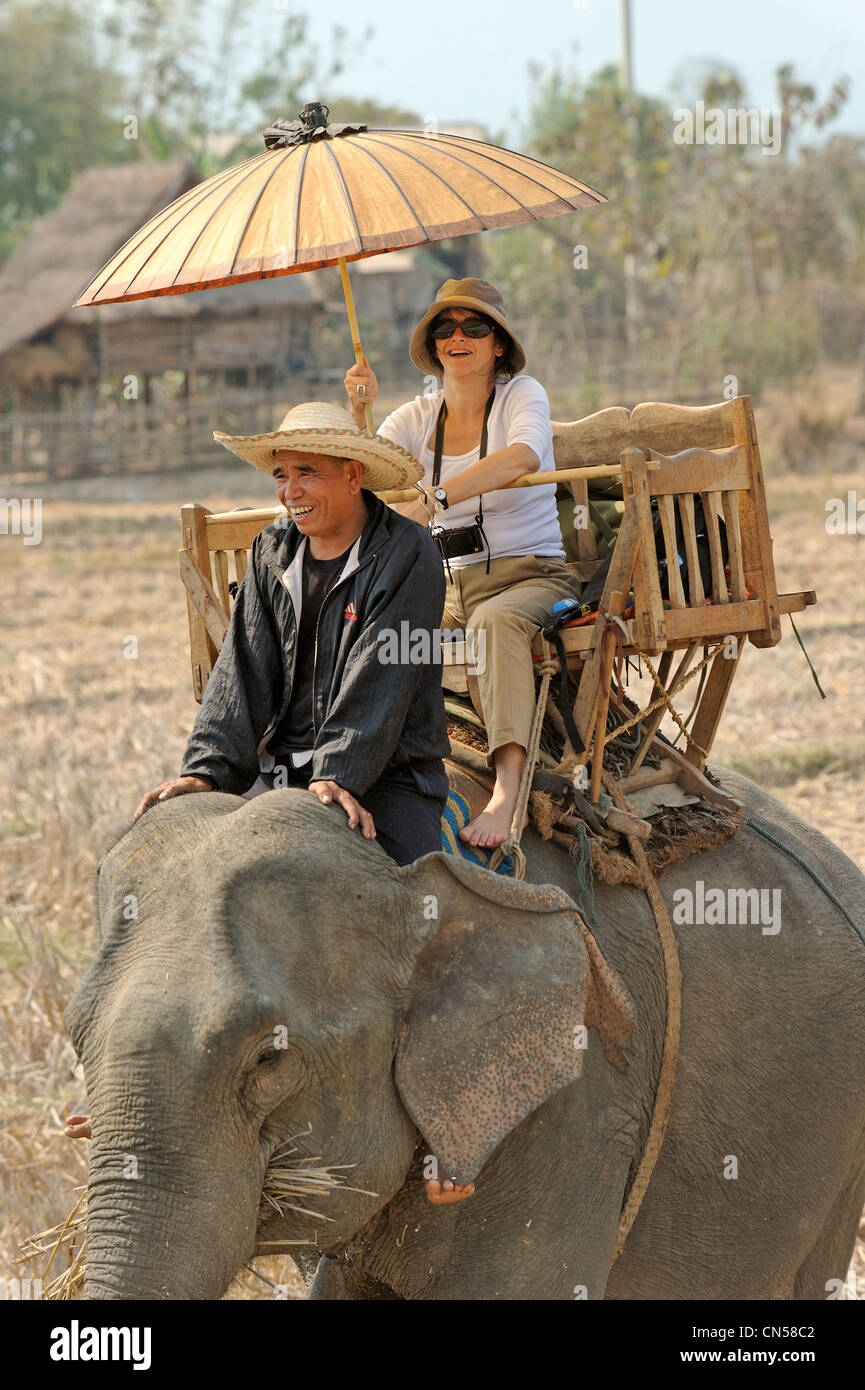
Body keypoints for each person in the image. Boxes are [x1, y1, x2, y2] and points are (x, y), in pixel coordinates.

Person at [66, 400, 472, 1200]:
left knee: (414, 915)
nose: (288, 490)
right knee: (152, 866)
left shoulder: (408, 555)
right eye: (281, 475)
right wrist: (209, 770)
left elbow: (384, 677)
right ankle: (126, 1089)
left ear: (352, 475)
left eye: (306, 473)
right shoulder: (271, 552)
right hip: (279, 769)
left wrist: (341, 776)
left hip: (385, 772)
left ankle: (444, 1121)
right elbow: (239, 672)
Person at [345, 278, 581, 850]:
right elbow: (369, 480)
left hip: (533, 574)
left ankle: (508, 793)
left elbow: (524, 454)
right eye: (445, 328)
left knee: (493, 626)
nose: (459, 337)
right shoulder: (416, 417)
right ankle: (356, 771)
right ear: (433, 344)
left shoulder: (523, 396)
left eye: (474, 326)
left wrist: (436, 496)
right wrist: (359, 411)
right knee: (382, 633)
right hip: (450, 587)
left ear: (498, 343)